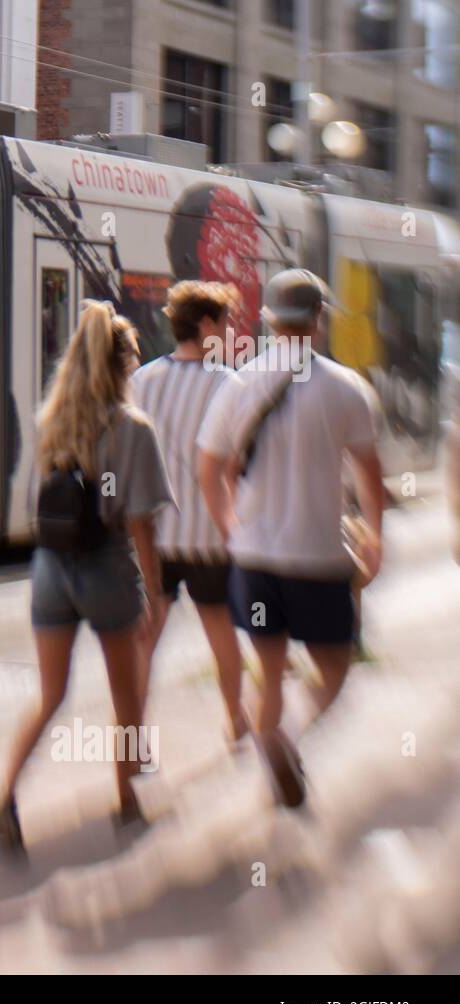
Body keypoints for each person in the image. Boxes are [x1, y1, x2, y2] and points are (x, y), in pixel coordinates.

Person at [0, 301, 173, 860]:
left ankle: (4, 796)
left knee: (50, 695)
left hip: (49, 568)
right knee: (126, 697)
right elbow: (140, 521)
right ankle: (125, 802)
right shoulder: (131, 429)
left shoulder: (54, 421)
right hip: (105, 568)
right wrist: (157, 593)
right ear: (121, 366)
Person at [197, 268, 385, 807]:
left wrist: (228, 524)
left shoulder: (238, 384)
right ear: (319, 321)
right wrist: (374, 537)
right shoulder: (348, 389)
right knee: (334, 669)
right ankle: (289, 738)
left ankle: (271, 752)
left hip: (255, 564)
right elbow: (370, 474)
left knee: (271, 671)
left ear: (269, 321)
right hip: (319, 563)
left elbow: (207, 467)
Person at [131, 281, 248, 744]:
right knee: (221, 630)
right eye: (226, 322)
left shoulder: (143, 380)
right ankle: (236, 722)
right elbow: (234, 466)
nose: (231, 330)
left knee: (146, 638)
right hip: (208, 538)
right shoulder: (227, 385)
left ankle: (133, 738)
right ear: (206, 325)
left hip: (155, 538)